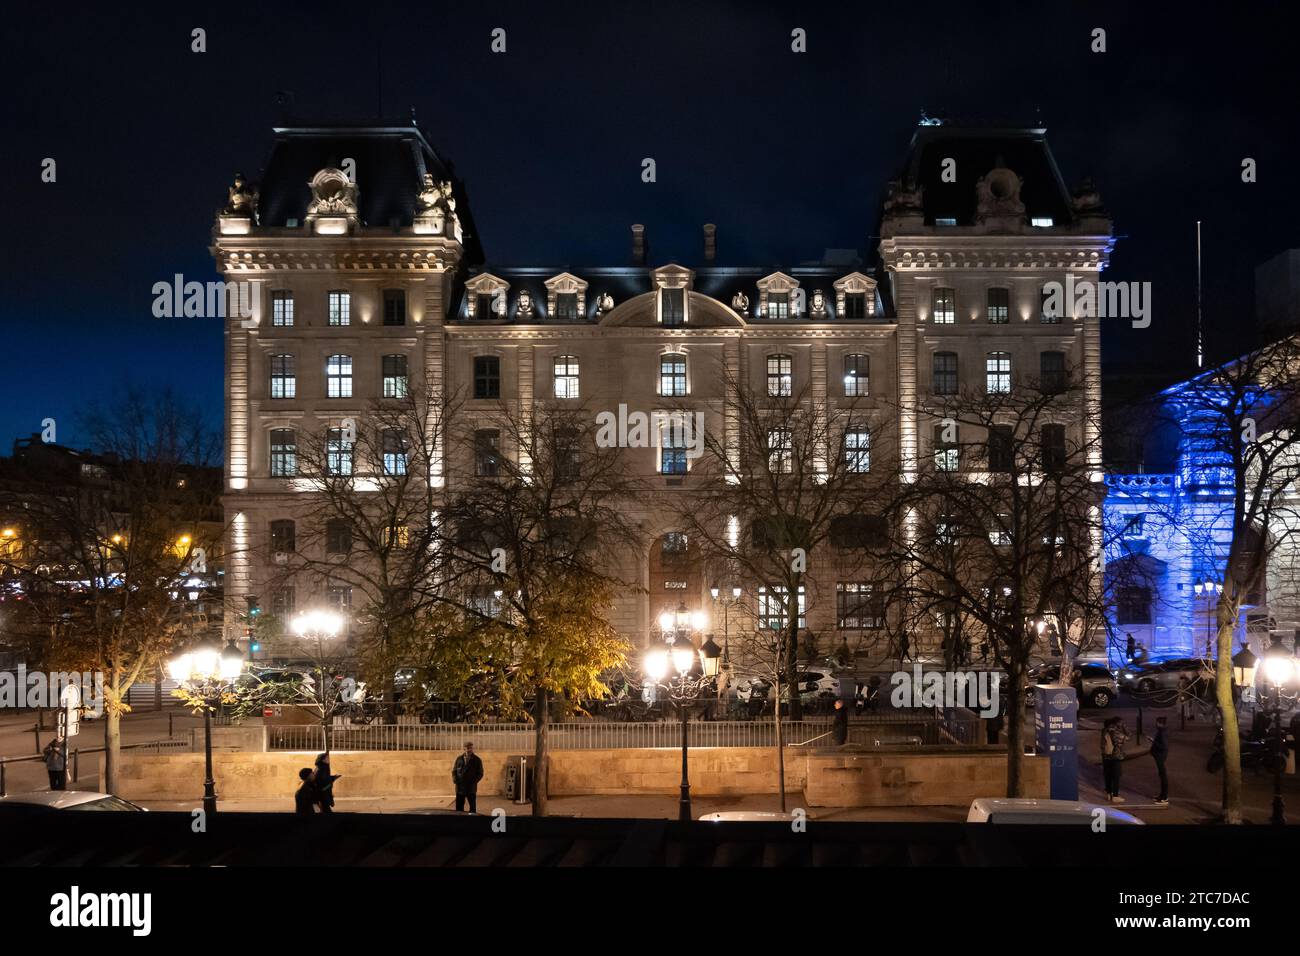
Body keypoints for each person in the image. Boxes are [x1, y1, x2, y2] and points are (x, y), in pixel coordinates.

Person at [1101, 717, 1128, 803]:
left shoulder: (1104, 731)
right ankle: (1115, 796)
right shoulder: (1114, 732)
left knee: (1108, 775)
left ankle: (1109, 793)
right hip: (1115, 756)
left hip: (1106, 756)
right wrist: (1124, 728)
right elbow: (1128, 737)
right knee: (1116, 776)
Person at [452, 742, 484, 813]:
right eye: (467, 748)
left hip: (471, 787)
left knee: (472, 808)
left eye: (471, 748)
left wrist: (474, 782)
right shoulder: (459, 759)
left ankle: (472, 822)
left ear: (472, 749)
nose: (469, 750)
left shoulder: (477, 760)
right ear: (464, 749)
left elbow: (480, 773)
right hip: (460, 787)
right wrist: (455, 780)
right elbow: (454, 771)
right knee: (459, 808)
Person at [1150, 716, 1169, 804]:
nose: (1156, 724)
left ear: (1160, 723)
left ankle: (1164, 797)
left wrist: (1153, 741)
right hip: (1160, 756)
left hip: (1160, 756)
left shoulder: (1162, 732)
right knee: (1162, 776)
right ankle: (1161, 796)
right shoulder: (1162, 731)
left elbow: (1163, 746)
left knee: (1163, 776)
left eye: (1157, 723)